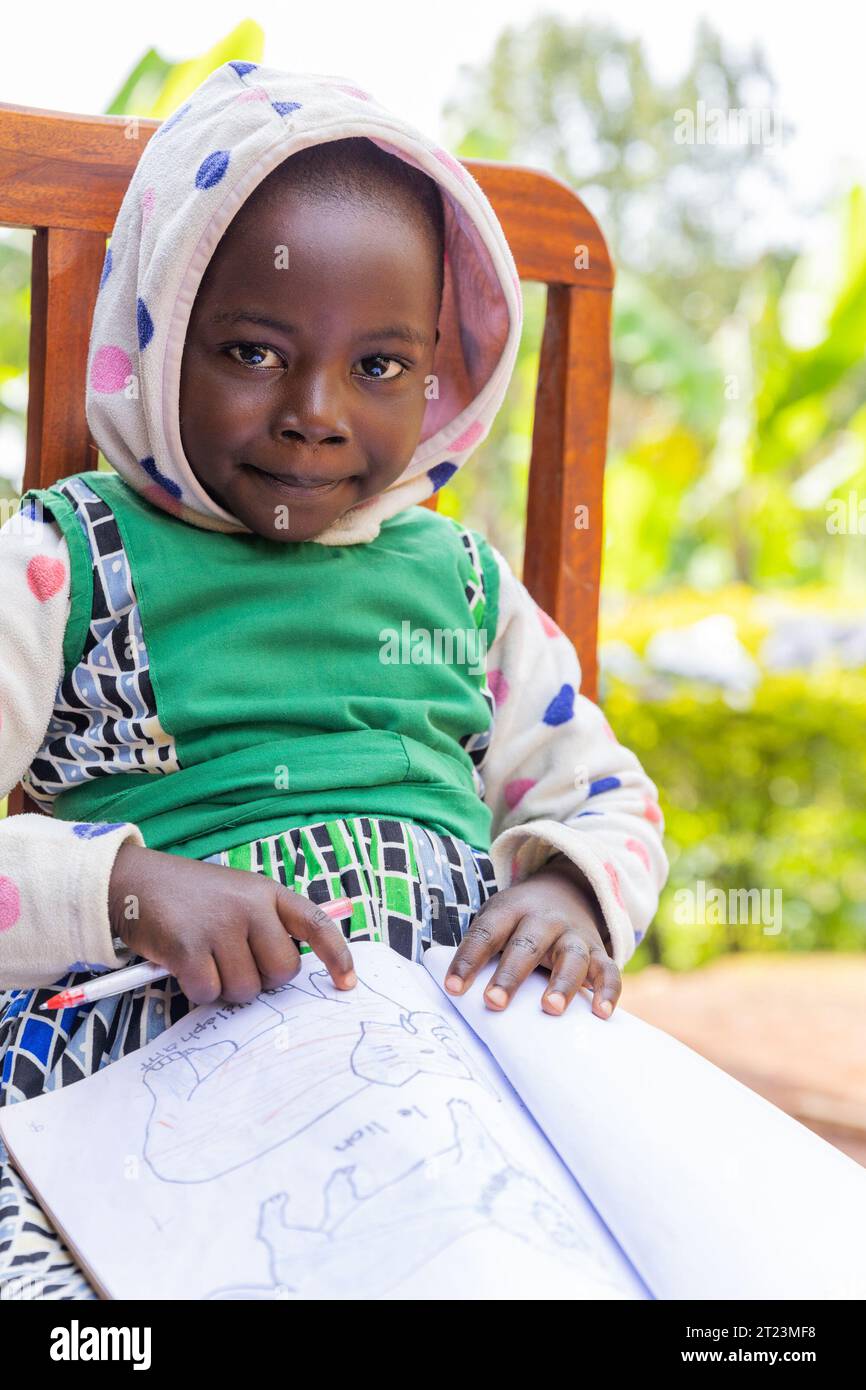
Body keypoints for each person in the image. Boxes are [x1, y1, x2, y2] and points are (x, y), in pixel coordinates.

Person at [0, 63, 668, 1299]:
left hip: (456, 1073)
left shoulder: (463, 584)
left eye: (377, 368)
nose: (311, 414)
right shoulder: (60, 565)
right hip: (142, 1076)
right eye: (252, 349)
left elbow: (605, 795)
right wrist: (125, 887)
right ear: (153, 335)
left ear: (437, 380)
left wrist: (574, 892)